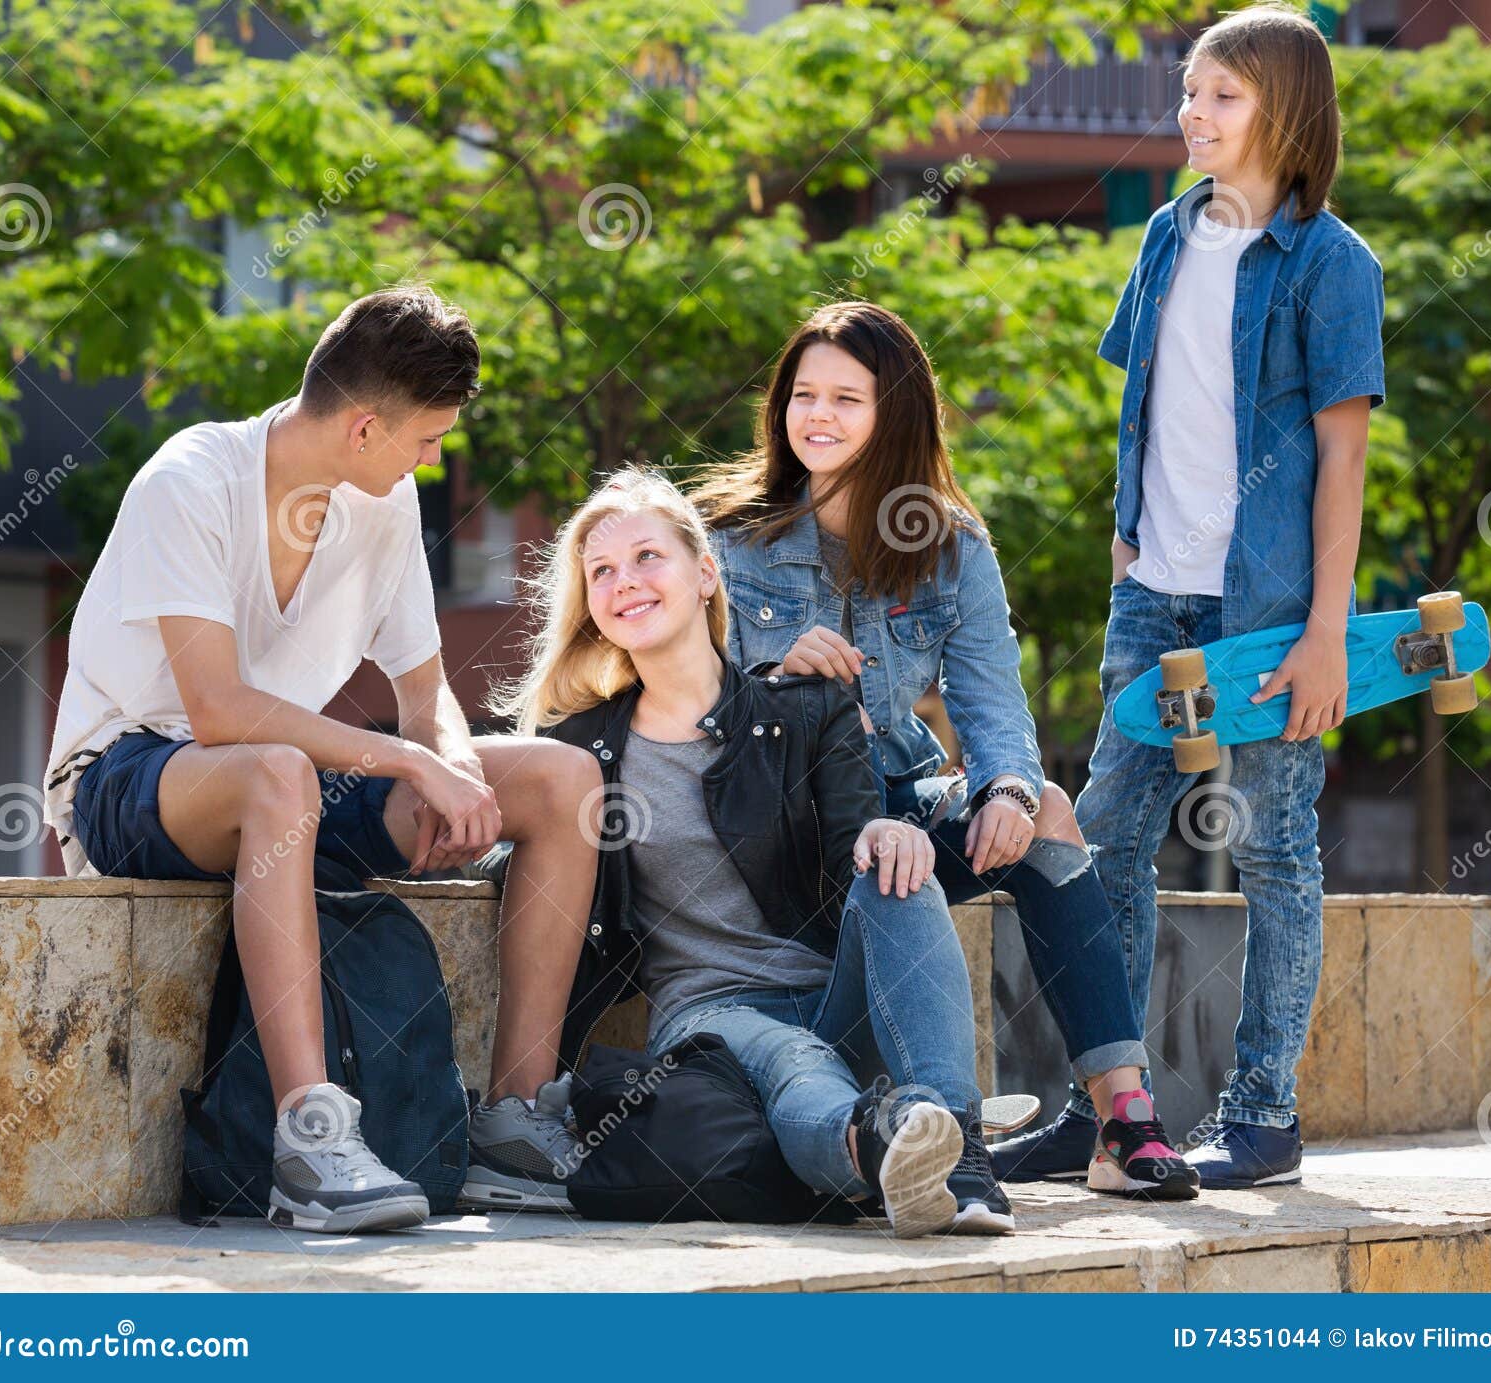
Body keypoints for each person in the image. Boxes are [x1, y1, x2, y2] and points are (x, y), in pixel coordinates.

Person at [43, 286, 603, 1232]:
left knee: (561, 779)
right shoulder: (190, 480)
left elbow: (428, 698)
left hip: (291, 785)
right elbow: (218, 711)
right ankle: (310, 1140)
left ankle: (510, 1117)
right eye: (426, 440)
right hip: (132, 778)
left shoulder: (379, 505)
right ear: (363, 429)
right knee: (275, 770)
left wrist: (454, 771)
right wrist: (402, 761)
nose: (433, 460)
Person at [692, 301, 1198, 1200]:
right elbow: (669, 698)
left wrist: (1003, 787)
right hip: (771, 819)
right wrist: (764, 673)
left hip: (897, 793)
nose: (816, 415)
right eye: (802, 394)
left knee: (1044, 803)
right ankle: (944, 1131)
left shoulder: (953, 548)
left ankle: (1125, 1122)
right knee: (898, 849)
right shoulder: (728, 536)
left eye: (847, 398)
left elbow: (995, 704)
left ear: (898, 412)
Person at [491, 467, 1016, 1236]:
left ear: (706, 574)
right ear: (594, 611)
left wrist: (889, 830)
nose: (624, 581)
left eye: (646, 557)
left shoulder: (804, 708)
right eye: (601, 571)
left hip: (839, 995)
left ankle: (957, 1153)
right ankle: (881, 1144)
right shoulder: (579, 752)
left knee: (905, 871)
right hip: (711, 1016)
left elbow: (853, 851)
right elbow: (519, 858)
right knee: (791, 1060)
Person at [1067, 2, 1387, 1188]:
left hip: (1265, 613)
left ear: (1283, 113)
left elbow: (1342, 459)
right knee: (1101, 846)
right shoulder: (1161, 235)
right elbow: (1140, 412)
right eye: (1190, 90)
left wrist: (1323, 637)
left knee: (1274, 856)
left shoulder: (1332, 264)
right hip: (1153, 598)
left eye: (1221, 96)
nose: (1190, 112)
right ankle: (1100, 1108)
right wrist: (1122, 566)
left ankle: (1263, 1116)